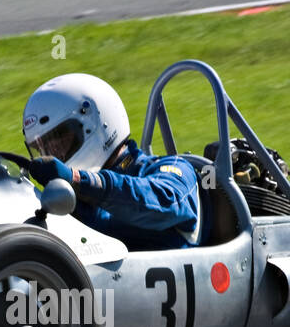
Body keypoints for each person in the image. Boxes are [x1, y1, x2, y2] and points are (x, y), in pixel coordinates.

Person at [22, 73, 206, 250]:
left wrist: (79, 181)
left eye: (59, 140)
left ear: (94, 124)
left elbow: (164, 204)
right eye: (42, 149)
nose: (51, 154)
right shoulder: (68, 198)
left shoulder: (174, 168)